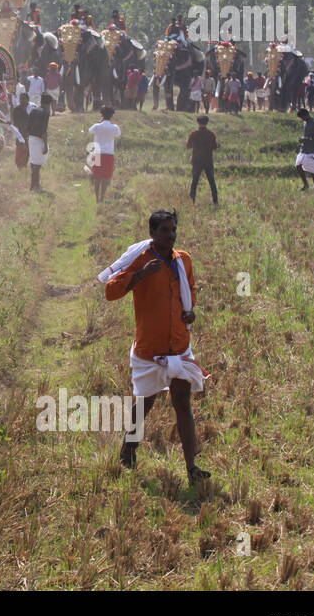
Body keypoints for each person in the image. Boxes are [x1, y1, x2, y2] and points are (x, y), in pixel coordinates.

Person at [101, 210, 209, 487]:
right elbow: (111, 292)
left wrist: (190, 312)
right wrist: (138, 276)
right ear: (152, 234)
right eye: (164, 230)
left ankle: (191, 467)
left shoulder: (183, 260)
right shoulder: (140, 259)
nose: (170, 236)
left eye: (173, 230)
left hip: (179, 346)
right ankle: (129, 447)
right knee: (144, 404)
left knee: (182, 402)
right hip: (150, 349)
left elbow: (191, 291)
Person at [87, 106, 121, 202]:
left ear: (101, 115)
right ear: (111, 116)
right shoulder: (114, 127)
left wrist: (99, 122)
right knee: (106, 177)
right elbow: (118, 134)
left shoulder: (97, 126)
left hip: (97, 154)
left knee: (97, 176)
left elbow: (90, 131)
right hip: (109, 154)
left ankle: (97, 198)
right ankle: (102, 197)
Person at [187, 115, 219, 205]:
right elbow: (215, 147)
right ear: (207, 122)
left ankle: (192, 200)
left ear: (198, 122)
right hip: (208, 160)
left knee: (194, 181)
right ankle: (215, 201)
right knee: (212, 181)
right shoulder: (211, 134)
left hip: (196, 160)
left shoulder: (193, 134)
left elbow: (188, 146)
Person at [24, 93, 52, 192]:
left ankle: (33, 186)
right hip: (39, 140)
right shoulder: (45, 113)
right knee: (37, 165)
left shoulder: (33, 110)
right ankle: (36, 186)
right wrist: (45, 145)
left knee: (33, 163)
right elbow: (44, 131)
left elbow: (27, 128)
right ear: (49, 104)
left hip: (31, 139)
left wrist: (27, 141)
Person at [295, 107, 314, 191]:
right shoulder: (305, 123)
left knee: (313, 170)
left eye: (302, 117)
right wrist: (302, 139)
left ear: (306, 114)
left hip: (312, 150)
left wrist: (308, 139)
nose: (302, 119)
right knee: (298, 165)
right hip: (303, 149)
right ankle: (306, 185)